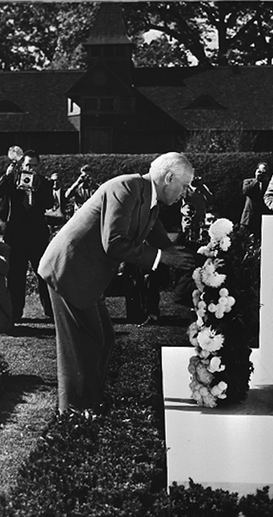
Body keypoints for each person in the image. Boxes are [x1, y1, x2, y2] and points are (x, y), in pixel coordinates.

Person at [38, 151, 199, 413]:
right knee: (82, 347)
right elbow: (113, 243)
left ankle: (90, 402)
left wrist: (186, 257)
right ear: (169, 178)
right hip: (69, 271)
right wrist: (163, 258)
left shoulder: (149, 197)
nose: (184, 193)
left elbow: (158, 238)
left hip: (84, 275)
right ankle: (75, 412)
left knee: (103, 341)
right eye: (183, 186)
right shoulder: (125, 188)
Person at [0, 149, 55, 321]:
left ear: (39, 166)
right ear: (22, 165)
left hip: (37, 236)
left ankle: (50, 311)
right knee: (16, 276)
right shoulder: (12, 180)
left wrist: (40, 187)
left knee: (43, 273)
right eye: (28, 165)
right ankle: (16, 312)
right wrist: (7, 175)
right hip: (16, 236)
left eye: (34, 165)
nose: (31, 168)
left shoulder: (43, 182)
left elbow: (50, 203)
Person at [240, 162, 270, 238]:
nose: (262, 174)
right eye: (260, 171)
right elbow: (245, 191)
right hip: (248, 218)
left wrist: (265, 181)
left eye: (264, 172)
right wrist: (256, 180)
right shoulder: (248, 181)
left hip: (261, 218)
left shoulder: (269, 184)